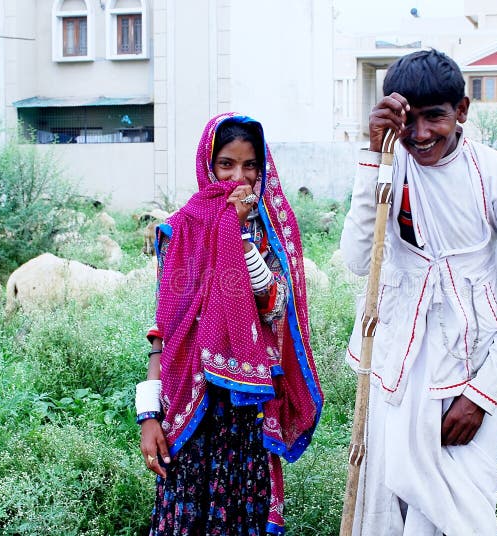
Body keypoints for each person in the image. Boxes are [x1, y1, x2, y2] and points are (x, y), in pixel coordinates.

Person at [340, 49, 497, 535]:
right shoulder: (392, 165)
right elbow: (355, 258)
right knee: (393, 502)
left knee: (466, 513)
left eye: (436, 117)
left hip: (470, 363)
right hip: (397, 362)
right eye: (410, 119)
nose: (422, 134)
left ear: (462, 112)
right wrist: (373, 156)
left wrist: (483, 394)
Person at [136, 113, 324, 535]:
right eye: (226, 164)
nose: (239, 176)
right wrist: (148, 415)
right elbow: (164, 329)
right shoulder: (180, 230)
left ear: (263, 168)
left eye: (250, 165)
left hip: (248, 414)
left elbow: (274, 306)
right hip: (190, 410)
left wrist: (235, 233)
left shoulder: (274, 234)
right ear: (208, 165)